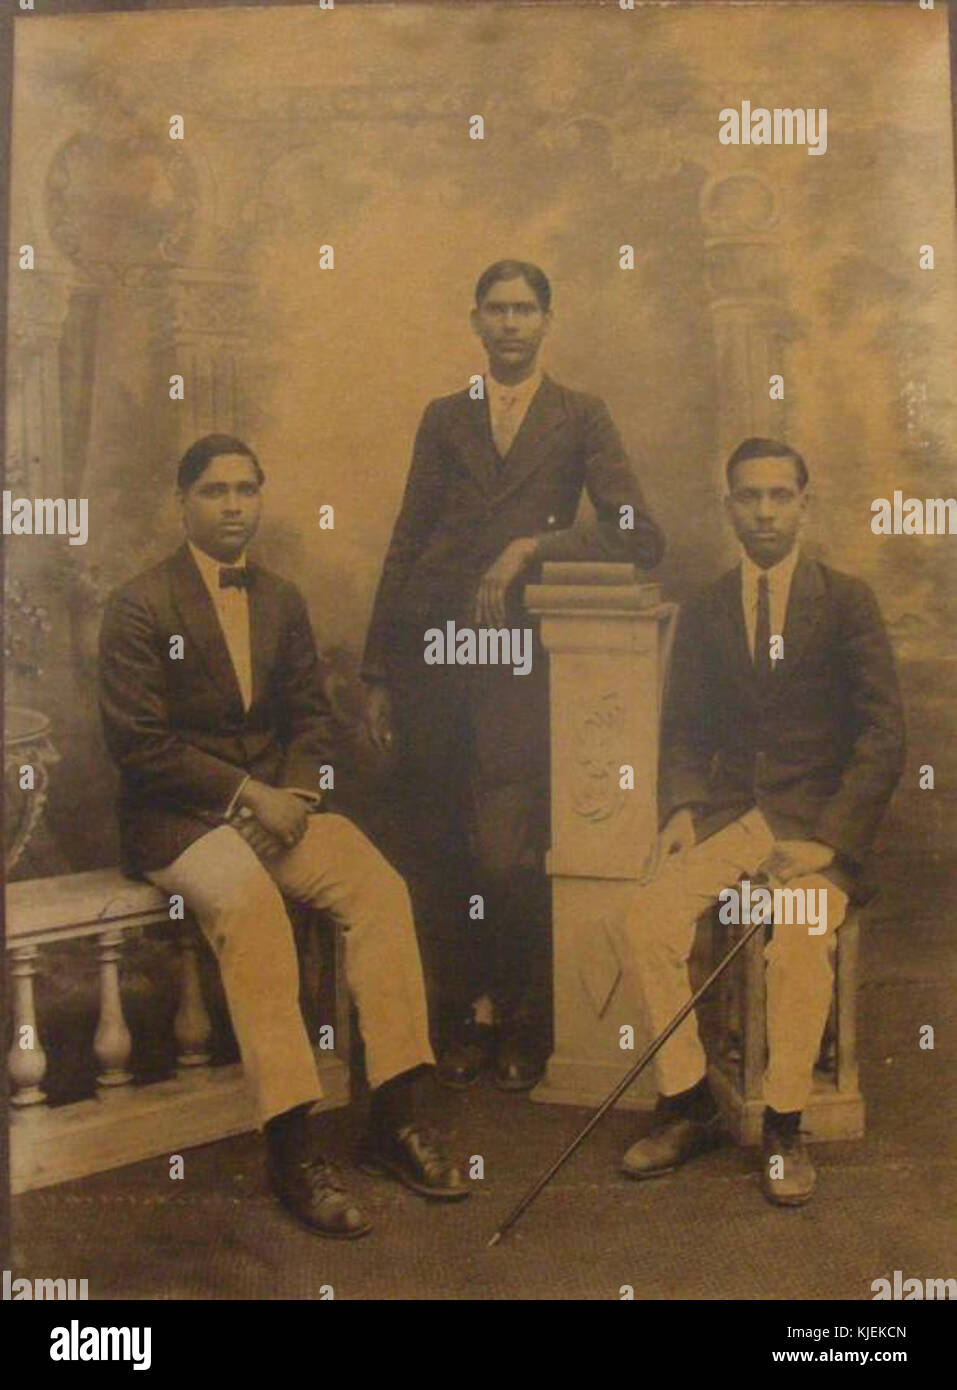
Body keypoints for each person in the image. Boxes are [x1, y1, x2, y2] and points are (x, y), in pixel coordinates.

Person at [98, 433, 469, 1240]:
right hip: (179, 821)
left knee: (379, 887)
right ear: (183, 503)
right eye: (215, 491)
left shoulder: (280, 598)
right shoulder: (138, 604)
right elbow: (138, 745)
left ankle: (392, 1118)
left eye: (246, 490)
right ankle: (293, 1147)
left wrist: (294, 793)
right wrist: (246, 795)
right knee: (252, 907)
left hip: (275, 807)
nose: (234, 506)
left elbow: (310, 717)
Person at [363, 260, 664, 1091]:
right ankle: (461, 1018)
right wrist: (378, 671)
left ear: (546, 321)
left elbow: (640, 532)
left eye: (524, 310)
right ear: (474, 321)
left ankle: (524, 1015)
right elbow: (405, 537)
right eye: (494, 309)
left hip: (516, 657)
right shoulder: (443, 417)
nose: (508, 324)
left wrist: (533, 545)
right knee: (434, 845)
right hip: (430, 651)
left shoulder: (579, 416)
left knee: (506, 851)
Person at [618, 437, 905, 1205]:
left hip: (816, 827)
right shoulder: (710, 606)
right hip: (732, 820)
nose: (765, 510)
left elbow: (883, 737)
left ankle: (783, 1125)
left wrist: (825, 842)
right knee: (645, 919)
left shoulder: (845, 601)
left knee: (800, 937)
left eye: (781, 495)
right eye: (750, 496)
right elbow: (681, 728)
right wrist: (681, 807)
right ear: (728, 507)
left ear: (804, 504)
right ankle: (689, 1105)